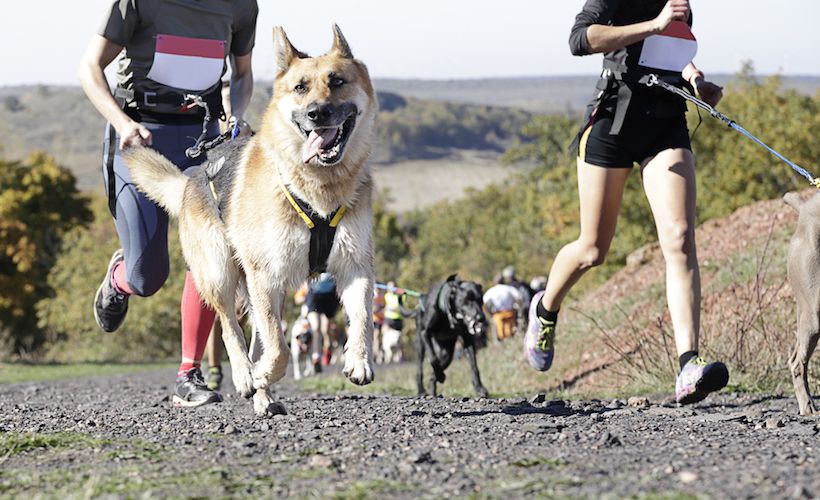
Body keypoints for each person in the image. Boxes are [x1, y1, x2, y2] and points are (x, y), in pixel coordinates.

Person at [524, 0, 729, 405]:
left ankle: (688, 365)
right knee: (593, 250)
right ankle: (545, 309)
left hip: (666, 123)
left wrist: (693, 78)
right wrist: (653, 24)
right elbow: (580, 40)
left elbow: (669, 53)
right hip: (612, 121)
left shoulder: (680, 2)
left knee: (681, 238)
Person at [79, 0, 258, 407]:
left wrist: (238, 114)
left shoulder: (240, 6)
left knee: (211, 257)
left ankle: (189, 372)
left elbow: (242, 72)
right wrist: (123, 123)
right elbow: (89, 69)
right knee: (148, 277)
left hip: (203, 141)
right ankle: (121, 277)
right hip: (141, 138)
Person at [305, 273, 341, 372]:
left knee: (325, 328)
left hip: (330, 295)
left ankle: (328, 348)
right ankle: (316, 356)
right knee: (316, 326)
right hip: (314, 294)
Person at [483, 277, 523, 342]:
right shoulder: (508, 288)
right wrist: (518, 307)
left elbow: (484, 303)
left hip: (498, 315)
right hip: (510, 313)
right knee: (511, 333)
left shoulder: (491, 291)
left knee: (500, 335)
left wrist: (489, 314)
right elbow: (519, 297)